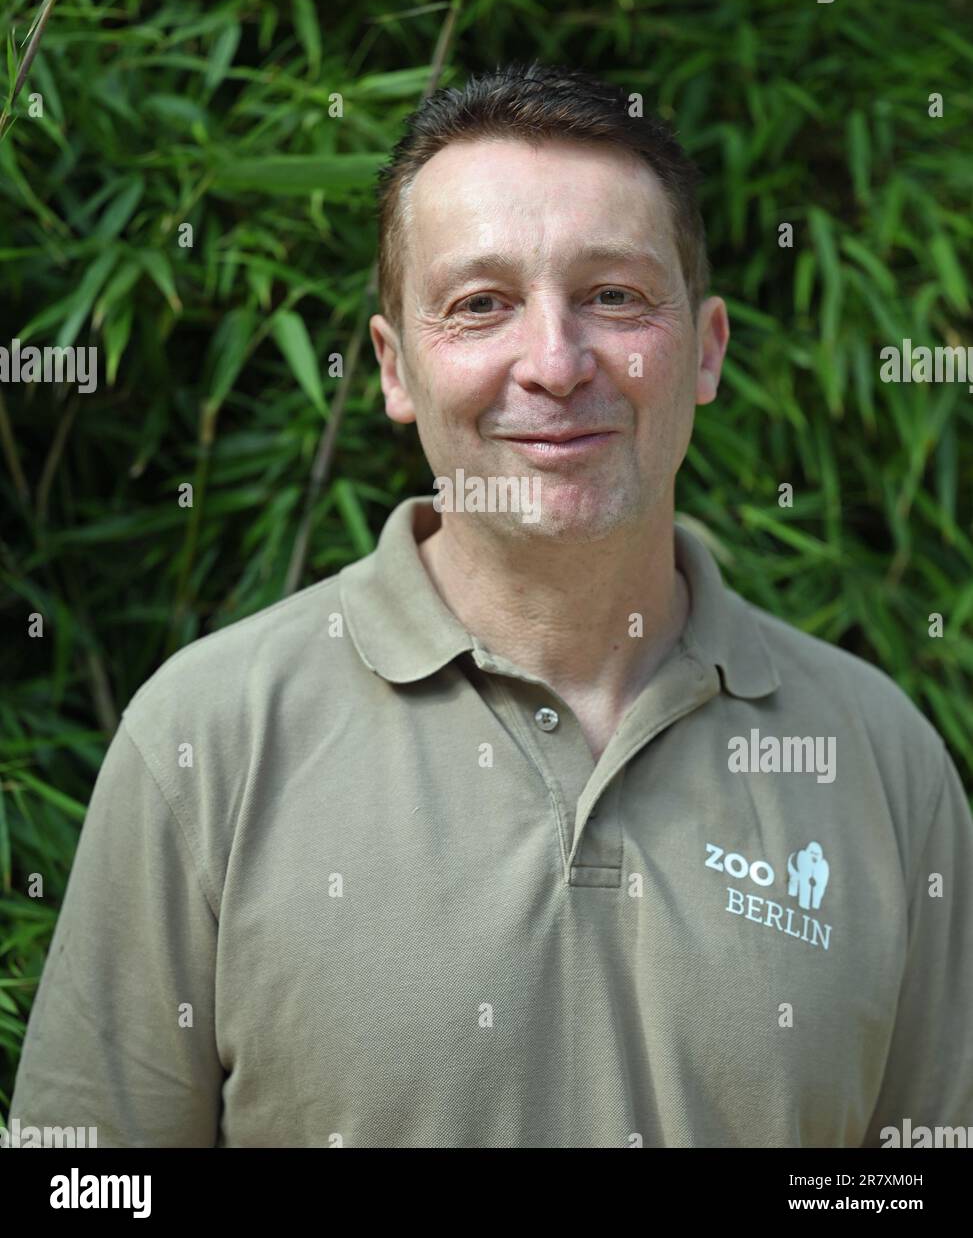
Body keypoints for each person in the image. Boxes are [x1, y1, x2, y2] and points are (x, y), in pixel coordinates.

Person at [9, 61, 973, 1148]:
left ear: (704, 350)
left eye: (613, 295)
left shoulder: (879, 759)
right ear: (394, 366)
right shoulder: (206, 741)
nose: (554, 363)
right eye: (481, 306)